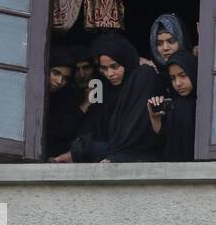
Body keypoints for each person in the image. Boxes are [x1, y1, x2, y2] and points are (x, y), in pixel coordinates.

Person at [68, 33, 161, 162]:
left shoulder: (144, 78)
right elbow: (94, 126)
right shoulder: (107, 88)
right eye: (104, 68)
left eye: (115, 66)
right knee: (80, 147)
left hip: (139, 155)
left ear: (126, 61)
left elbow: (137, 129)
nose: (110, 74)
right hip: (113, 151)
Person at [147, 51, 198, 162]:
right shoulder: (175, 105)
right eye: (172, 78)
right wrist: (155, 119)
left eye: (183, 76)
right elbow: (166, 145)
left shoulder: (205, 104)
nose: (178, 83)